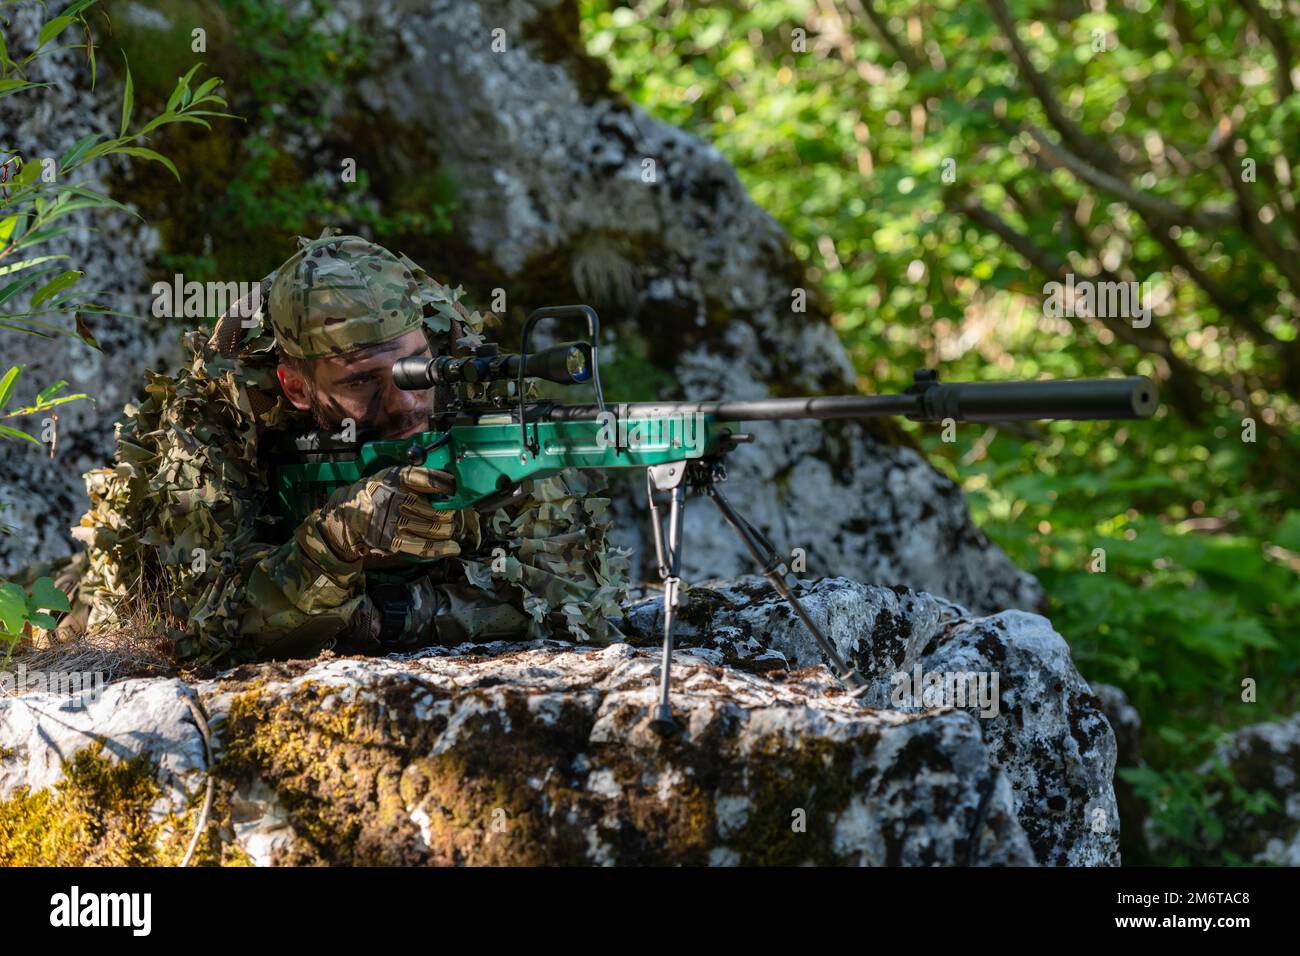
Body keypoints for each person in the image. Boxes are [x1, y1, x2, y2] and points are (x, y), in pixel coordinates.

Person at [41, 231, 631, 665]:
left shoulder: (475, 384)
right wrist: (334, 545)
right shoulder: (216, 417)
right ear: (295, 386)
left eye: (414, 367)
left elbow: (572, 602)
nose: (404, 402)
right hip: (97, 589)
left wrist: (389, 615)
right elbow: (191, 629)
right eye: (358, 382)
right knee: (55, 617)